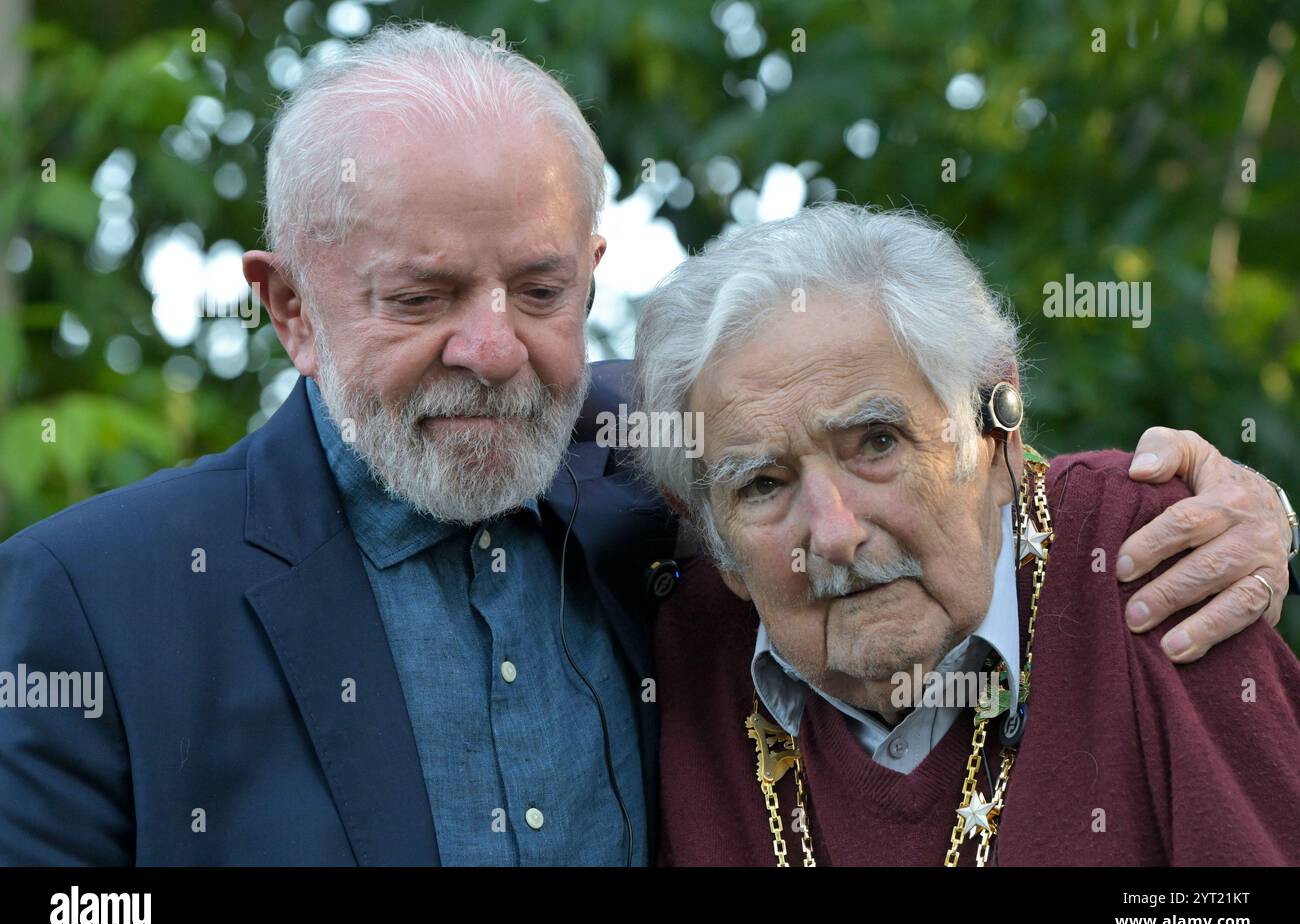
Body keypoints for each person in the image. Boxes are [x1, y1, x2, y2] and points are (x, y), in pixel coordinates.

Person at [0, 23, 1292, 866]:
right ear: (288, 308)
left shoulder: (667, 465)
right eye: (420, 298)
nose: (493, 351)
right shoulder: (99, 596)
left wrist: (1226, 505)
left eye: (541, 289)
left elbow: (923, 441)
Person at [636, 204, 1300, 865]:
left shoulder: (1142, 553)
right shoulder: (678, 645)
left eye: (876, 443)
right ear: (711, 534)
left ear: (998, 432)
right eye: (763, 485)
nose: (834, 534)